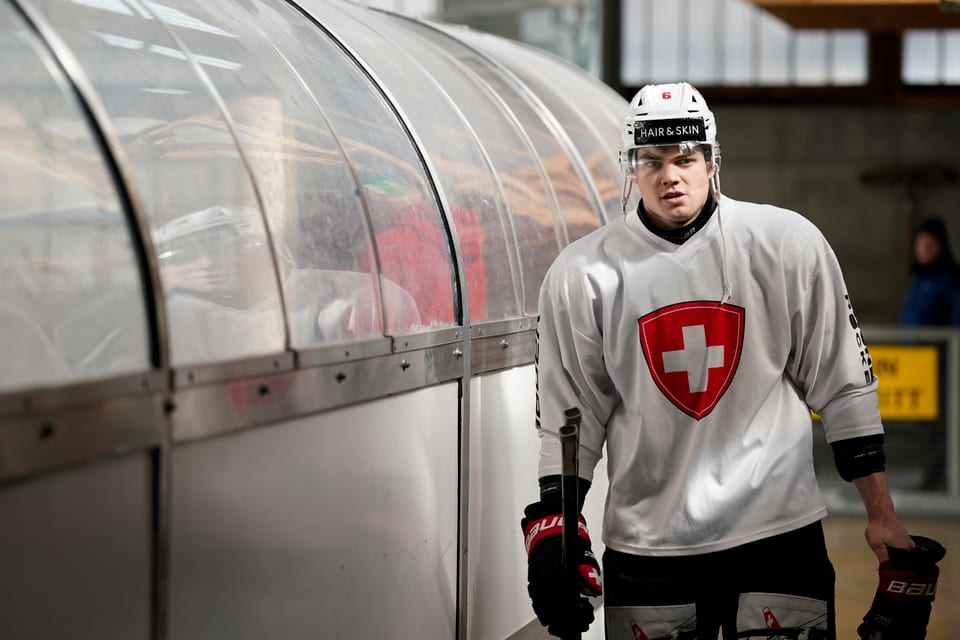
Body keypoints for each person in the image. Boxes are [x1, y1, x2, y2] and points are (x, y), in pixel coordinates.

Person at [520, 83, 926, 639]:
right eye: (653, 161)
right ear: (631, 169)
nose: (671, 176)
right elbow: (570, 421)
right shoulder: (580, 275)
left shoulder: (787, 244)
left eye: (686, 158)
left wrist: (880, 512)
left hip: (777, 533)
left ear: (712, 161)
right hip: (649, 545)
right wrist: (556, 524)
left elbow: (843, 385)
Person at [899, 216, 960, 326]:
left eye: (928, 245)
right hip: (910, 342)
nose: (923, 251)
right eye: (919, 245)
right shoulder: (917, 279)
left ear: (940, 246)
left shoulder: (951, 279)